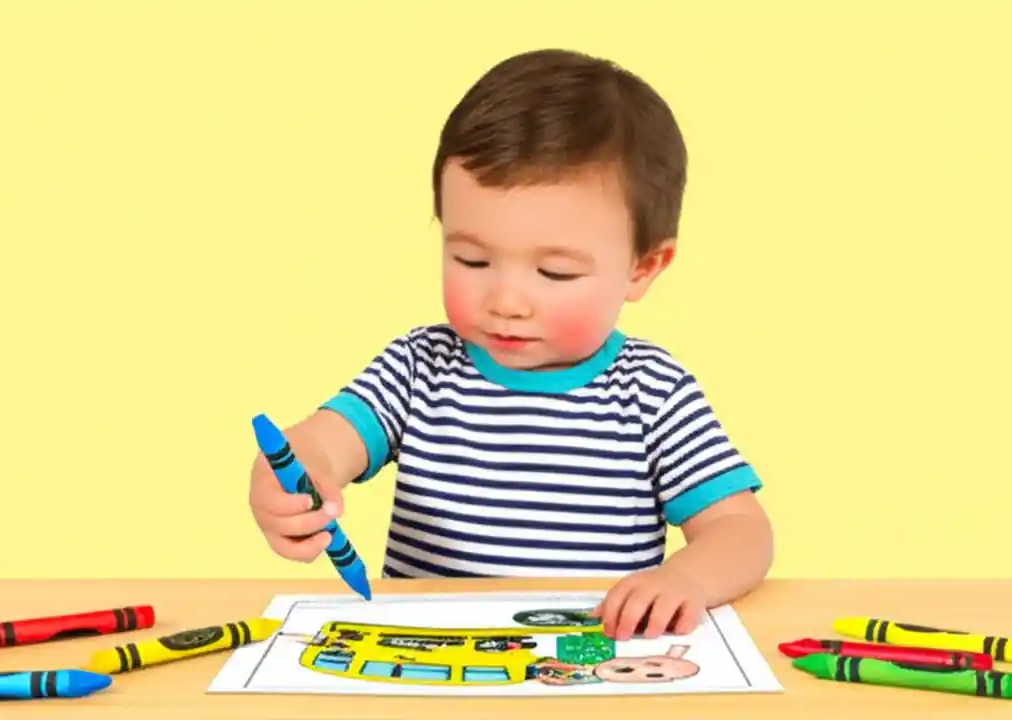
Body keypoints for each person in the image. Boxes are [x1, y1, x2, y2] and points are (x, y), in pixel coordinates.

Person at [249, 48, 774, 641]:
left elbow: (742, 530)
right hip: (431, 660)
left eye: (554, 273)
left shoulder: (652, 392)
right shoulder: (419, 368)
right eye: (471, 258)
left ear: (643, 267)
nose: (507, 300)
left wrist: (687, 580)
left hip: (585, 666)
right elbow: (323, 441)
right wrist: (295, 478)